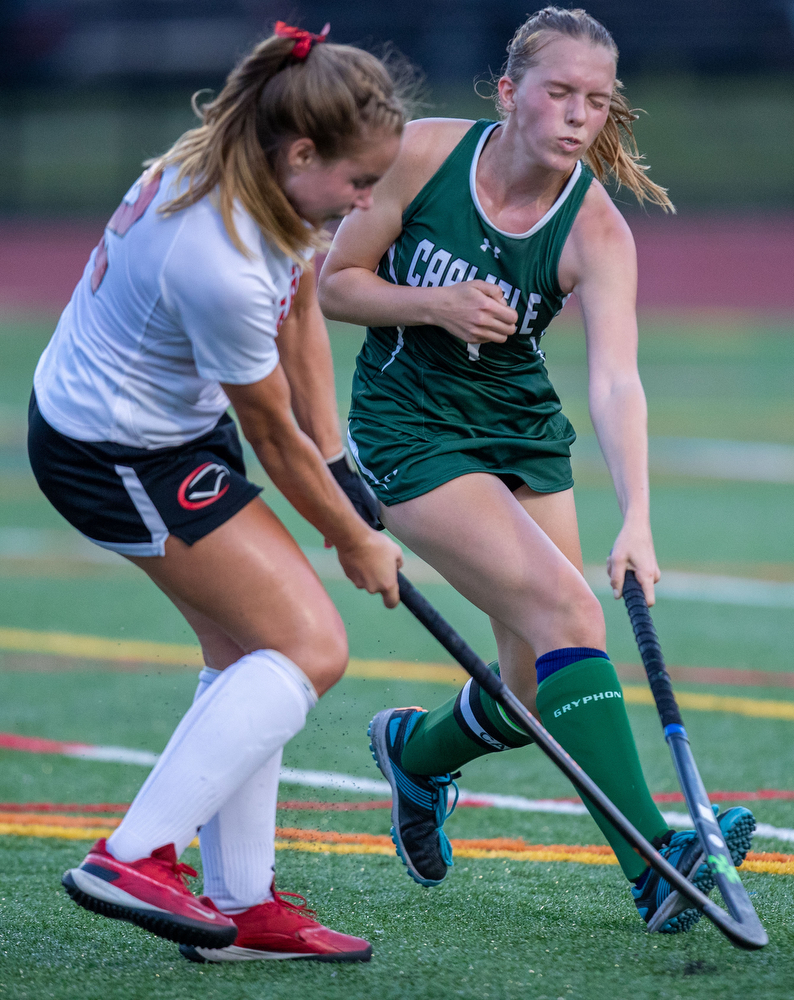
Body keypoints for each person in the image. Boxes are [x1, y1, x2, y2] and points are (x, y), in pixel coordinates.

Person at [319, 6, 755, 934]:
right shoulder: (422, 156)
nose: (578, 117)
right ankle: (656, 864)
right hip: (409, 425)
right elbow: (335, 284)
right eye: (559, 93)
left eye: (596, 102)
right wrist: (433, 304)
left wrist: (637, 515)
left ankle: (417, 754)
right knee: (570, 615)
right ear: (511, 92)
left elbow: (615, 379)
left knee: (534, 687)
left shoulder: (596, 228)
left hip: (520, 428)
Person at [28, 23, 406, 963]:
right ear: (303, 151)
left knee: (250, 649)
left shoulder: (258, 182)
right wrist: (352, 538)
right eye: (360, 184)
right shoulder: (218, 253)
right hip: (111, 451)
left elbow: (302, 308)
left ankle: (242, 908)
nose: (366, 203)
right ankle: (131, 857)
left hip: (171, 428)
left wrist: (340, 457)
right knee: (311, 645)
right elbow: (272, 435)